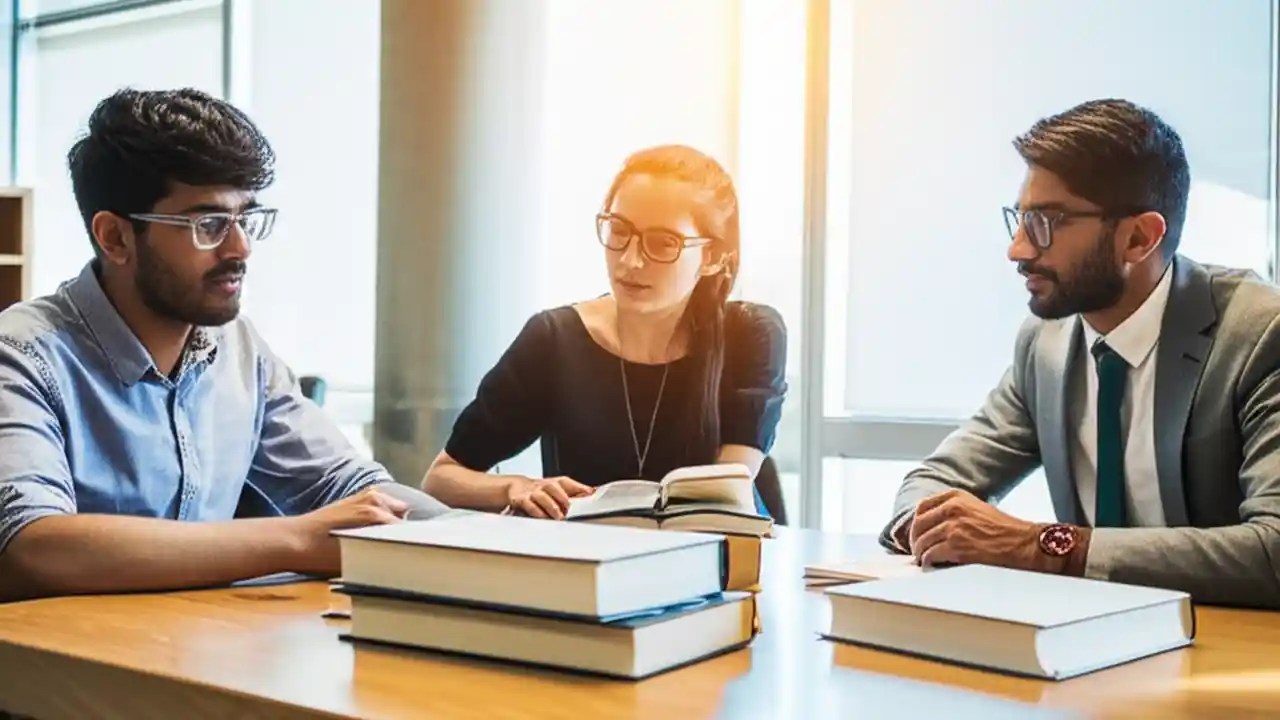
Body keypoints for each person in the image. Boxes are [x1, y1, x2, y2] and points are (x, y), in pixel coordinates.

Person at [0, 88, 447, 601]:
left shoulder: (237, 349)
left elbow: (345, 486)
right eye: (208, 224)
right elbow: (34, 544)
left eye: (245, 218)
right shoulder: (22, 354)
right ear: (115, 238)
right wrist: (297, 539)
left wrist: (486, 539)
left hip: (196, 650)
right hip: (56, 670)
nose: (241, 248)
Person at [880, 98, 1280, 609]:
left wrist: (1042, 546)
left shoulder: (1259, 335)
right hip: (1081, 649)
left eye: (1046, 223)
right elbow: (933, 481)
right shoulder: (1045, 345)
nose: (1018, 249)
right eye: (1019, 220)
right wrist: (937, 528)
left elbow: (1272, 550)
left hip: (1232, 656)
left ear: (1138, 238)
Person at [421, 145, 787, 519]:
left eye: (663, 243)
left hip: (716, 560)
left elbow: (723, 493)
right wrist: (517, 486)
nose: (630, 260)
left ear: (712, 257)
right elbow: (441, 478)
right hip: (589, 567)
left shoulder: (750, 335)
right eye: (619, 231)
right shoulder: (555, 341)